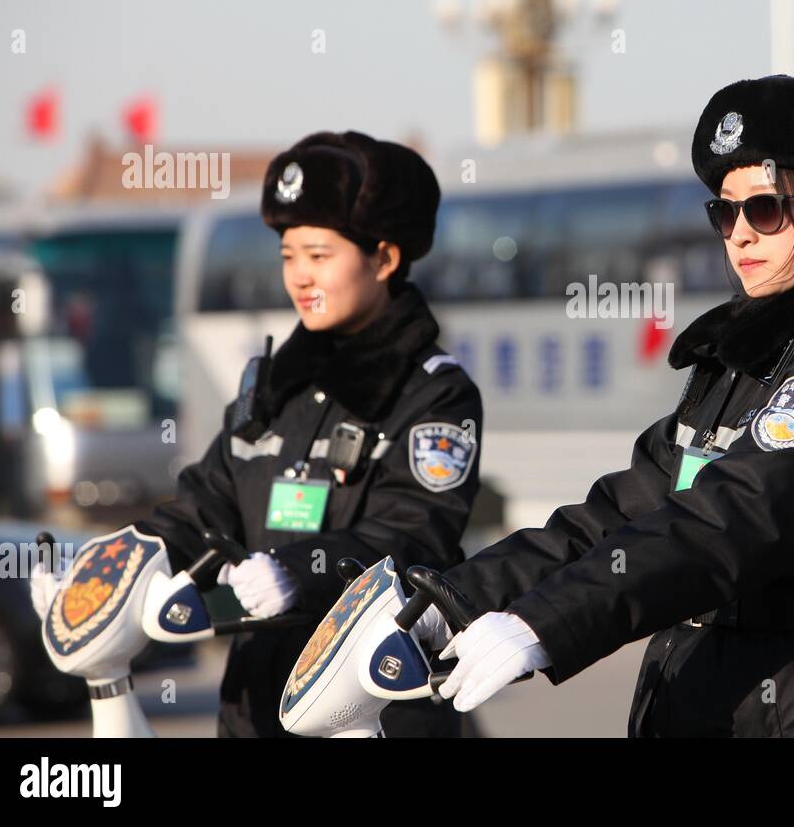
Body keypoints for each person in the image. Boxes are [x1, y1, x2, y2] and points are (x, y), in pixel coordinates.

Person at [411, 60, 794, 736]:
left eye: (767, 207)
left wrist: (545, 624)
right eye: (725, 210)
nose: (740, 232)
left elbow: (725, 521)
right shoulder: (746, 357)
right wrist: (457, 599)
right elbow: (620, 516)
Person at [32, 130, 483, 738]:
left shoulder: (434, 393)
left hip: (372, 706)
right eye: (288, 255)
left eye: (319, 255)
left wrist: (300, 570)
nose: (299, 276)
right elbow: (203, 508)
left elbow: (415, 534)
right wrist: (112, 568)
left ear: (384, 257)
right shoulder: (274, 385)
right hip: (256, 706)